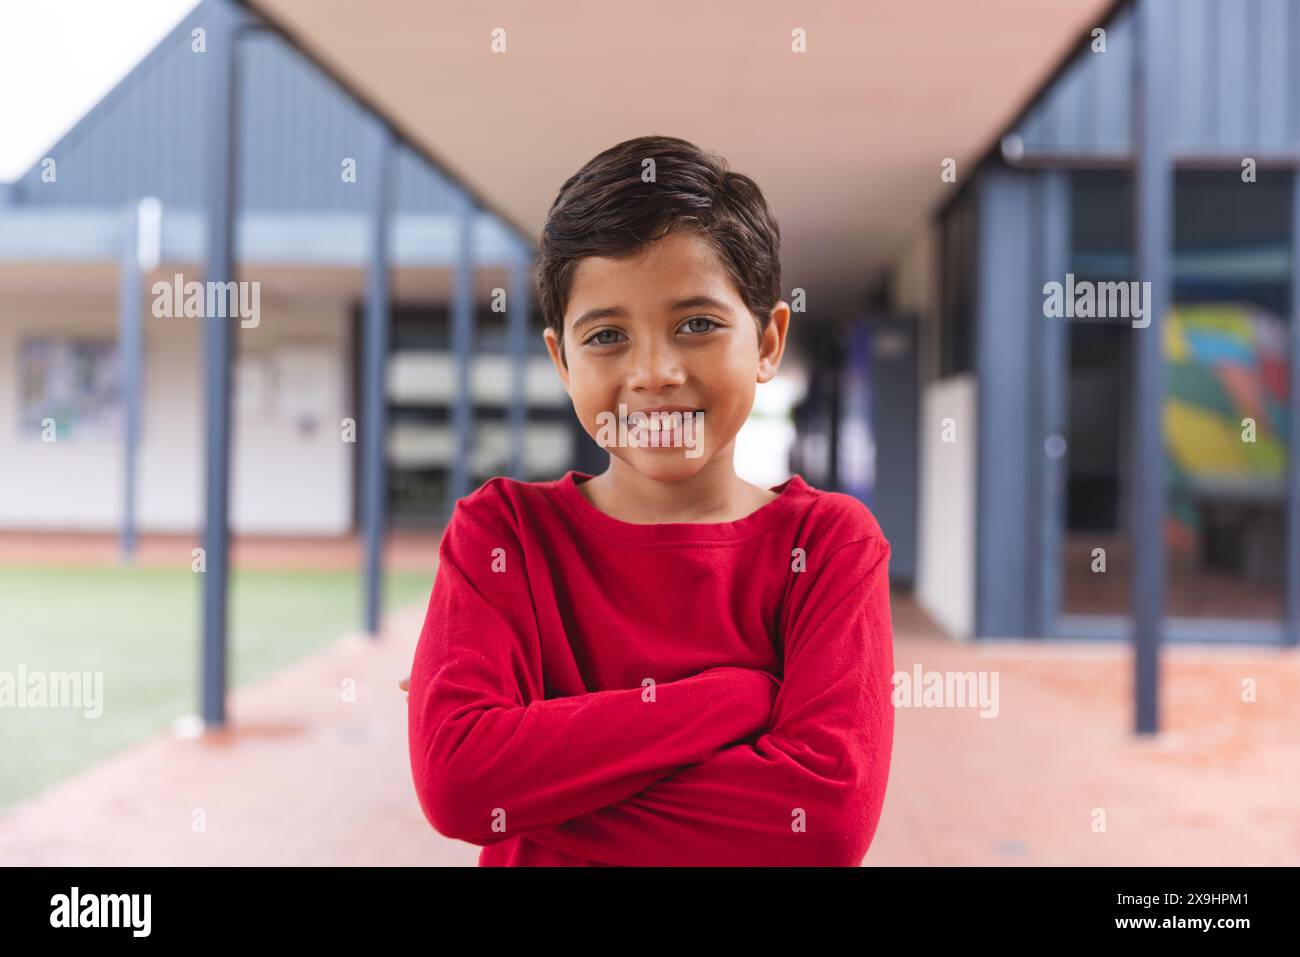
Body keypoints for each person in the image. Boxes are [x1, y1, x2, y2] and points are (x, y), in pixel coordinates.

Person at [402, 135, 893, 866]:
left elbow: (819, 826)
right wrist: (738, 698)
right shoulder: (502, 533)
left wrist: (534, 791)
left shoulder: (828, 545)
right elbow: (459, 785)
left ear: (767, 340)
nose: (654, 373)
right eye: (606, 336)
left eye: (697, 324)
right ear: (561, 361)